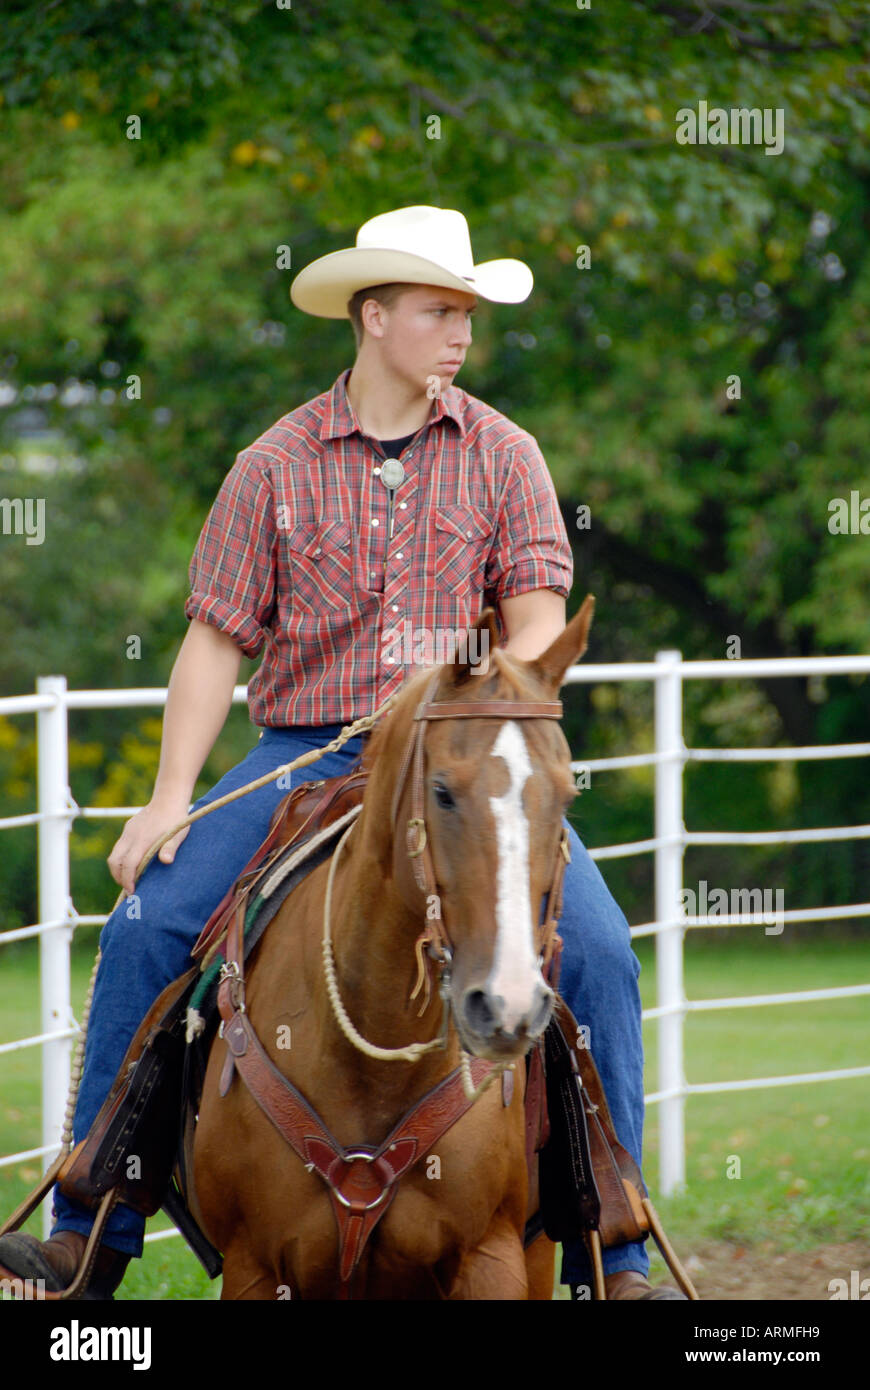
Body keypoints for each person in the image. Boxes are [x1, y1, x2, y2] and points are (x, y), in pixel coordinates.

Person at [0, 206, 681, 1299]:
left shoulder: (506, 456)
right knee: (147, 927)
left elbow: (538, 623)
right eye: (437, 310)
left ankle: (619, 1245)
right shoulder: (271, 465)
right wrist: (168, 797)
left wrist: (504, 714)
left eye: (466, 312)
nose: (460, 332)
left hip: (458, 761)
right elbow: (215, 640)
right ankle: (92, 1232)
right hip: (304, 753)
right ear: (373, 317)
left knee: (597, 948)